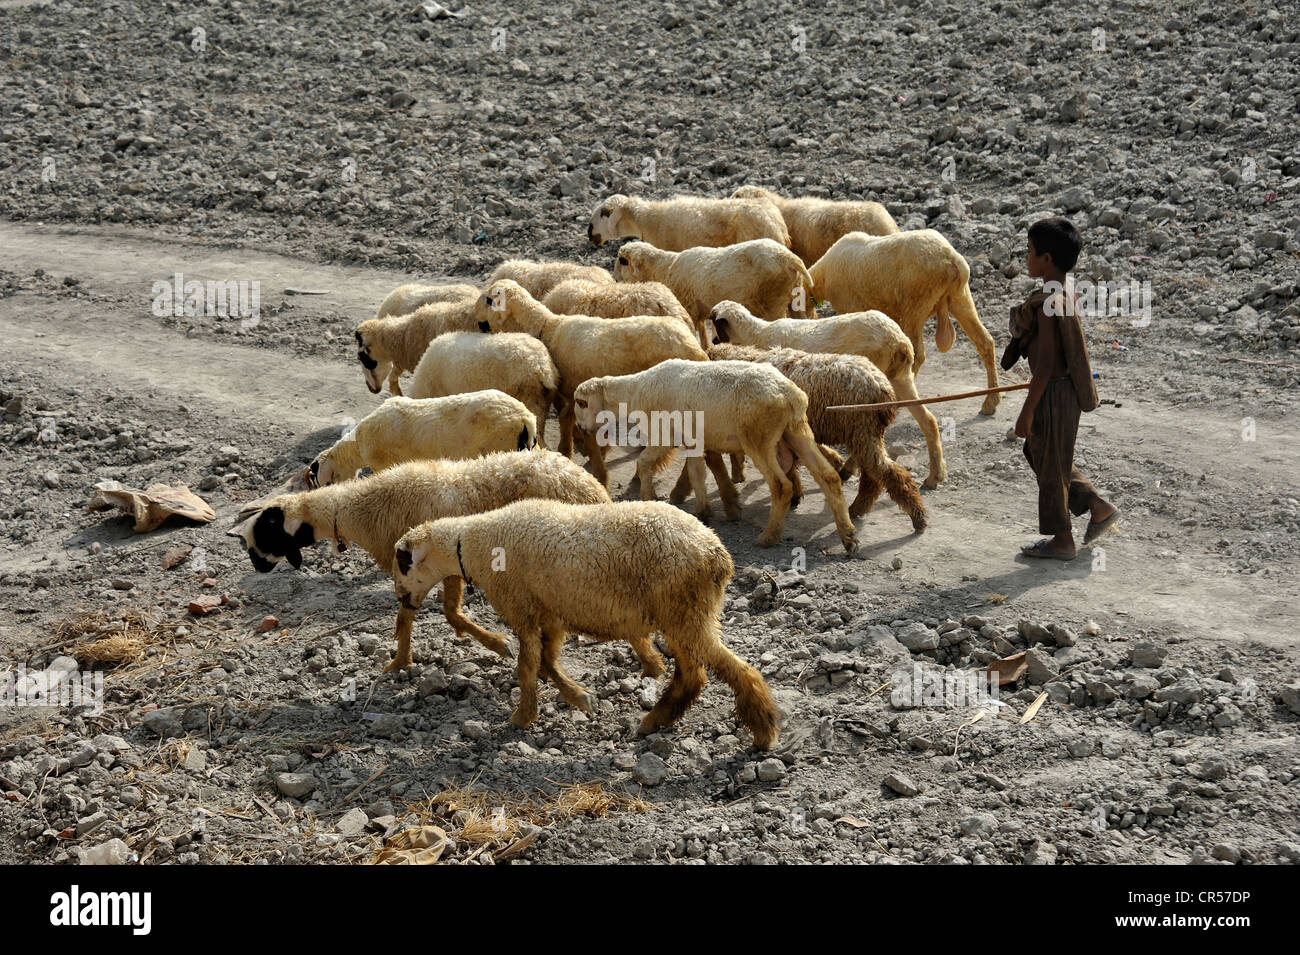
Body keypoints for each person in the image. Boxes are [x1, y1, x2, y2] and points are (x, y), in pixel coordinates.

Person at [1007, 217, 1119, 560]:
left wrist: (1027, 412)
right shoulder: (1066, 289)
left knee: (1051, 466)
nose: (1026, 258)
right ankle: (1096, 505)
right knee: (1041, 454)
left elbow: (1044, 366)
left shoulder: (1047, 302)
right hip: (1064, 390)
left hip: (1053, 392)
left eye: (1029, 251)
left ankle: (1062, 541)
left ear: (1047, 259)